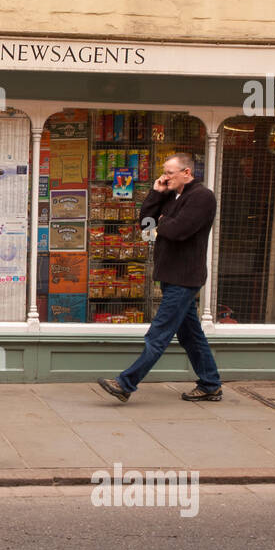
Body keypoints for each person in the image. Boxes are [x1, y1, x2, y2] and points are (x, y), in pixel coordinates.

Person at [98, 153, 223, 403]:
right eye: (164, 172)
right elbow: (145, 225)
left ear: (187, 173)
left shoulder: (202, 197)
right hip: (169, 275)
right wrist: (156, 195)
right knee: (191, 335)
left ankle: (125, 383)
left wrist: (163, 225)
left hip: (184, 278)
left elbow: (179, 231)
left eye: (169, 173)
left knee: (158, 334)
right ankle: (210, 384)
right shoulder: (169, 195)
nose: (164, 177)